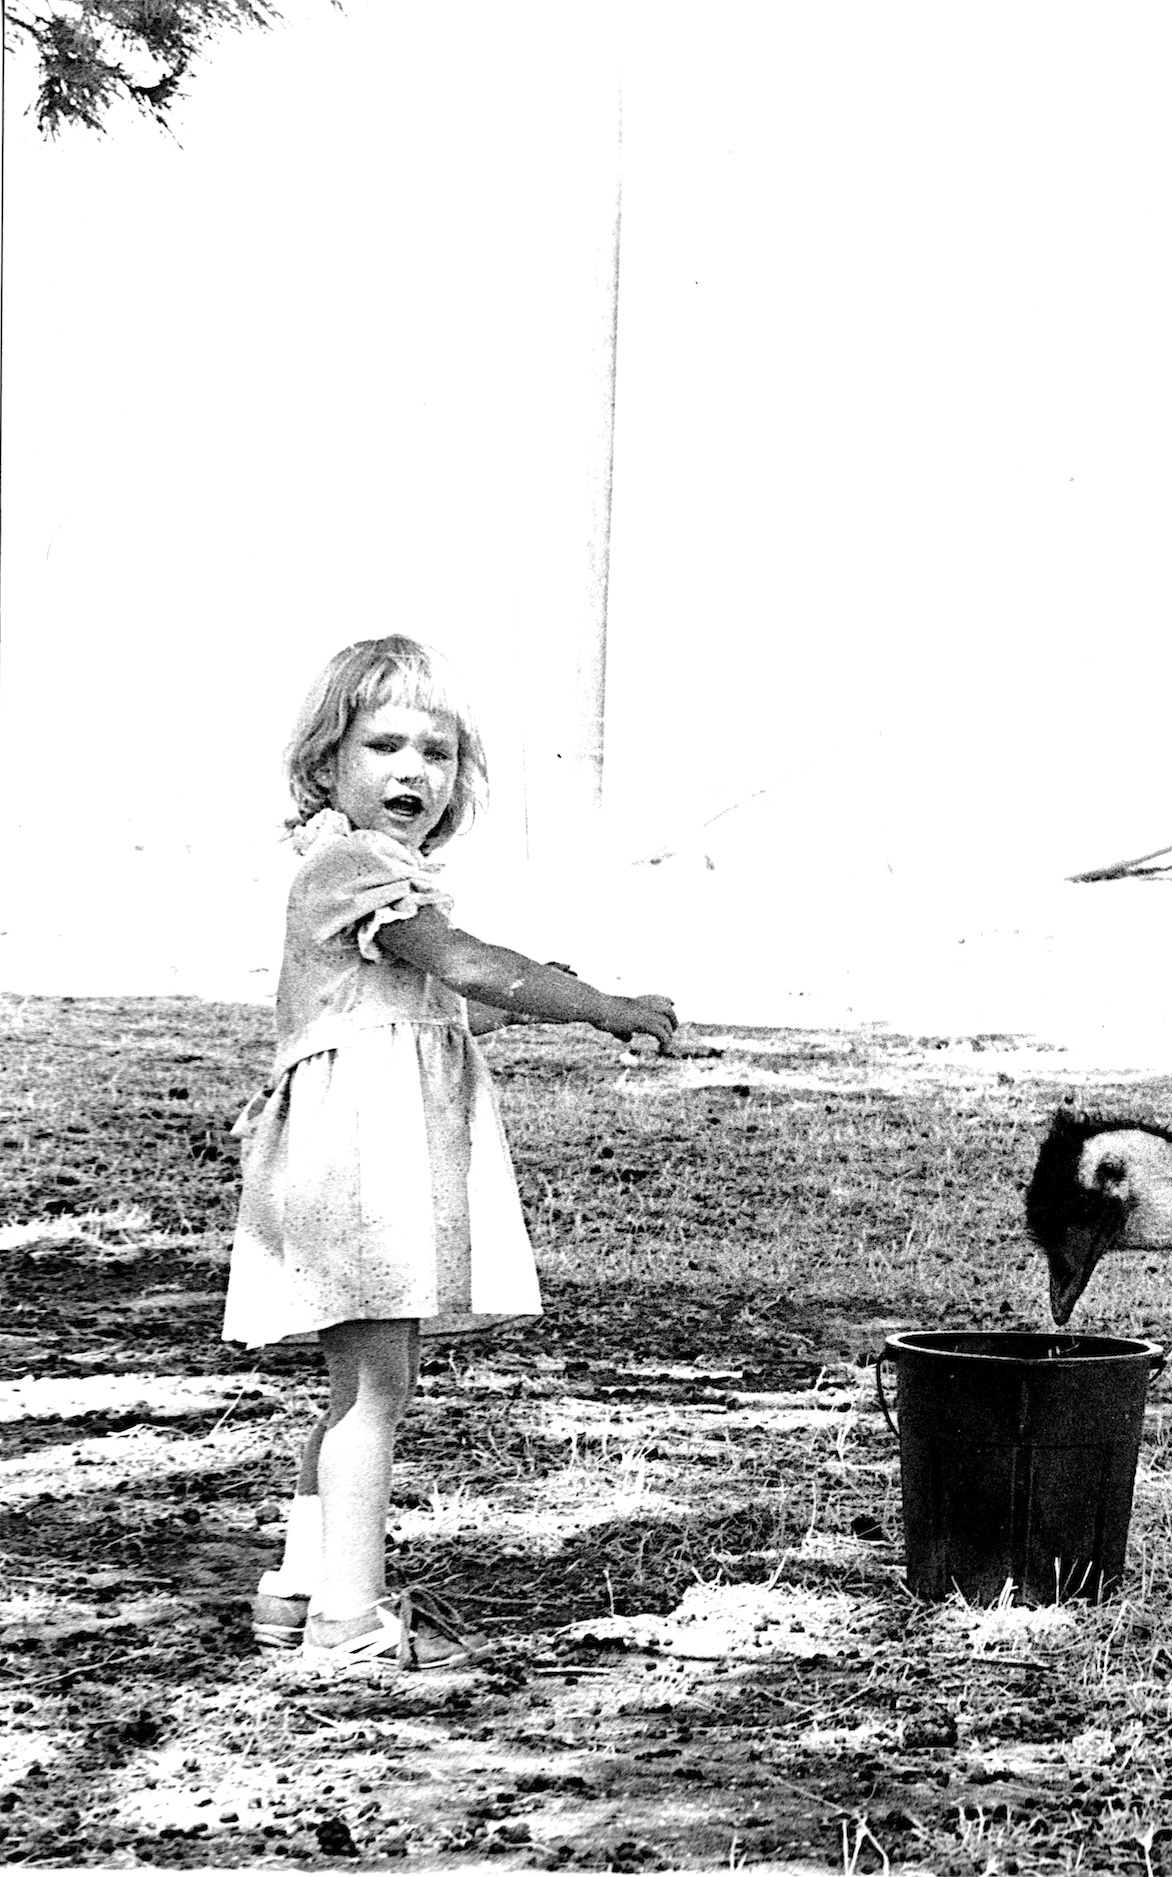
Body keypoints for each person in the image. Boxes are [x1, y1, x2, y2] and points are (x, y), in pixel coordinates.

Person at [225, 636, 677, 1670]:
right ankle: (350, 1616)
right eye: (384, 744)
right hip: (358, 1165)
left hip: (362, 1154)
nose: (414, 771)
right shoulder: (354, 866)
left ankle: (298, 1586)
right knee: (375, 1390)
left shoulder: (377, 881)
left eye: (437, 751)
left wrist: (532, 999)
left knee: (362, 1380)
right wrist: (597, 1003)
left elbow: (441, 1008)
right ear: (326, 762)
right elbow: (469, 967)